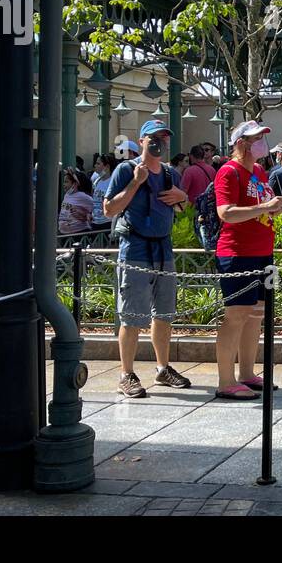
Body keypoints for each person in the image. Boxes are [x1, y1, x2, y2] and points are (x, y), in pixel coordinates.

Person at [103, 119, 192, 398]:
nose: (159, 142)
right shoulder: (125, 170)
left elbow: (179, 207)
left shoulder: (169, 174)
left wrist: (183, 197)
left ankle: (162, 368)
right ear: (141, 140)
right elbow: (109, 209)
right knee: (131, 316)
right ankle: (126, 374)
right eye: (153, 137)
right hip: (135, 249)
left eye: (164, 137)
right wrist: (135, 183)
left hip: (163, 249)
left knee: (163, 314)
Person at [213, 120, 282, 399]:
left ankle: (246, 373)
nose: (261, 142)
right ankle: (225, 381)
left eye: (262, 136)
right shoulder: (228, 172)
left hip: (263, 251)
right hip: (237, 253)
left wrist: (280, 206)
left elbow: (264, 212)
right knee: (235, 315)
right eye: (256, 137)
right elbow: (226, 213)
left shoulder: (260, 171)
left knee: (255, 315)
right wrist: (264, 206)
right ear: (241, 143)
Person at [58, 167, 94, 234]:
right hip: (65, 233)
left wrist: (85, 215)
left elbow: (95, 208)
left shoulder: (83, 196)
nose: (63, 184)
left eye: (66, 182)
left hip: (79, 232)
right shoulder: (66, 195)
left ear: (75, 183)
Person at [90, 153, 117, 231]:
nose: (95, 165)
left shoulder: (113, 182)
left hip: (108, 223)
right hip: (95, 222)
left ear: (107, 166)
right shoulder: (97, 181)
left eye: (98, 163)